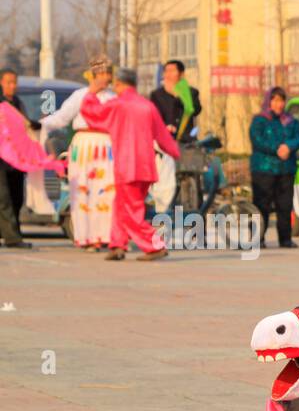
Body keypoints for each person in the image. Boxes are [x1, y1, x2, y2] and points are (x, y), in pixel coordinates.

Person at [80, 67, 181, 261]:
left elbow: (92, 114)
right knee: (122, 205)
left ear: (118, 84)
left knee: (130, 210)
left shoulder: (117, 105)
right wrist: (175, 153)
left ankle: (155, 245)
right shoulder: (147, 106)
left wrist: (92, 92)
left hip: (127, 167)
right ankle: (117, 245)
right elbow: (163, 136)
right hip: (146, 167)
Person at [41, 56, 117, 250]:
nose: (104, 77)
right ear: (92, 75)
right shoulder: (80, 95)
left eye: (107, 73)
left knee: (106, 192)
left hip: (106, 147)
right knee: (83, 190)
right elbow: (61, 118)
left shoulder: (114, 97)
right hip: (83, 148)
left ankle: (104, 235)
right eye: (100, 73)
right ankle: (86, 236)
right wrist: (38, 125)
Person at [249, 86, 299, 249]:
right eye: (276, 100)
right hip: (263, 169)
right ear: (269, 101)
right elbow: (257, 139)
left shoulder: (291, 121)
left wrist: (289, 146)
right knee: (262, 205)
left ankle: (285, 238)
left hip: (286, 169)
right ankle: (258, 238)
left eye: (282, 101)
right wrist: (277, 149)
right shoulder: (259, 120)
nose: (279, 104)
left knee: (285, 205)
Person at [0, 68, 39, 248]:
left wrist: (33, 124)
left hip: (15, 159)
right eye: (8, 82)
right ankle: (12, 239)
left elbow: (22, 124)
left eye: (14, 82)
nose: (12, 86)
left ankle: (10, 234)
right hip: (1, 158)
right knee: (4, 199)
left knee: (17, 197)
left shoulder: (17, 103)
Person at [150, 59, 202, 143]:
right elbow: (154, 117)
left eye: (172, 71)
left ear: (181, 74)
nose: (168, 74)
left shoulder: (191, 92)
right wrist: (166, 126)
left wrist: (179, 95)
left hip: (186, 141)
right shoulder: (157, 95)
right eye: (166, 71)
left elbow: (196, 110)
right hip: (165, 141)